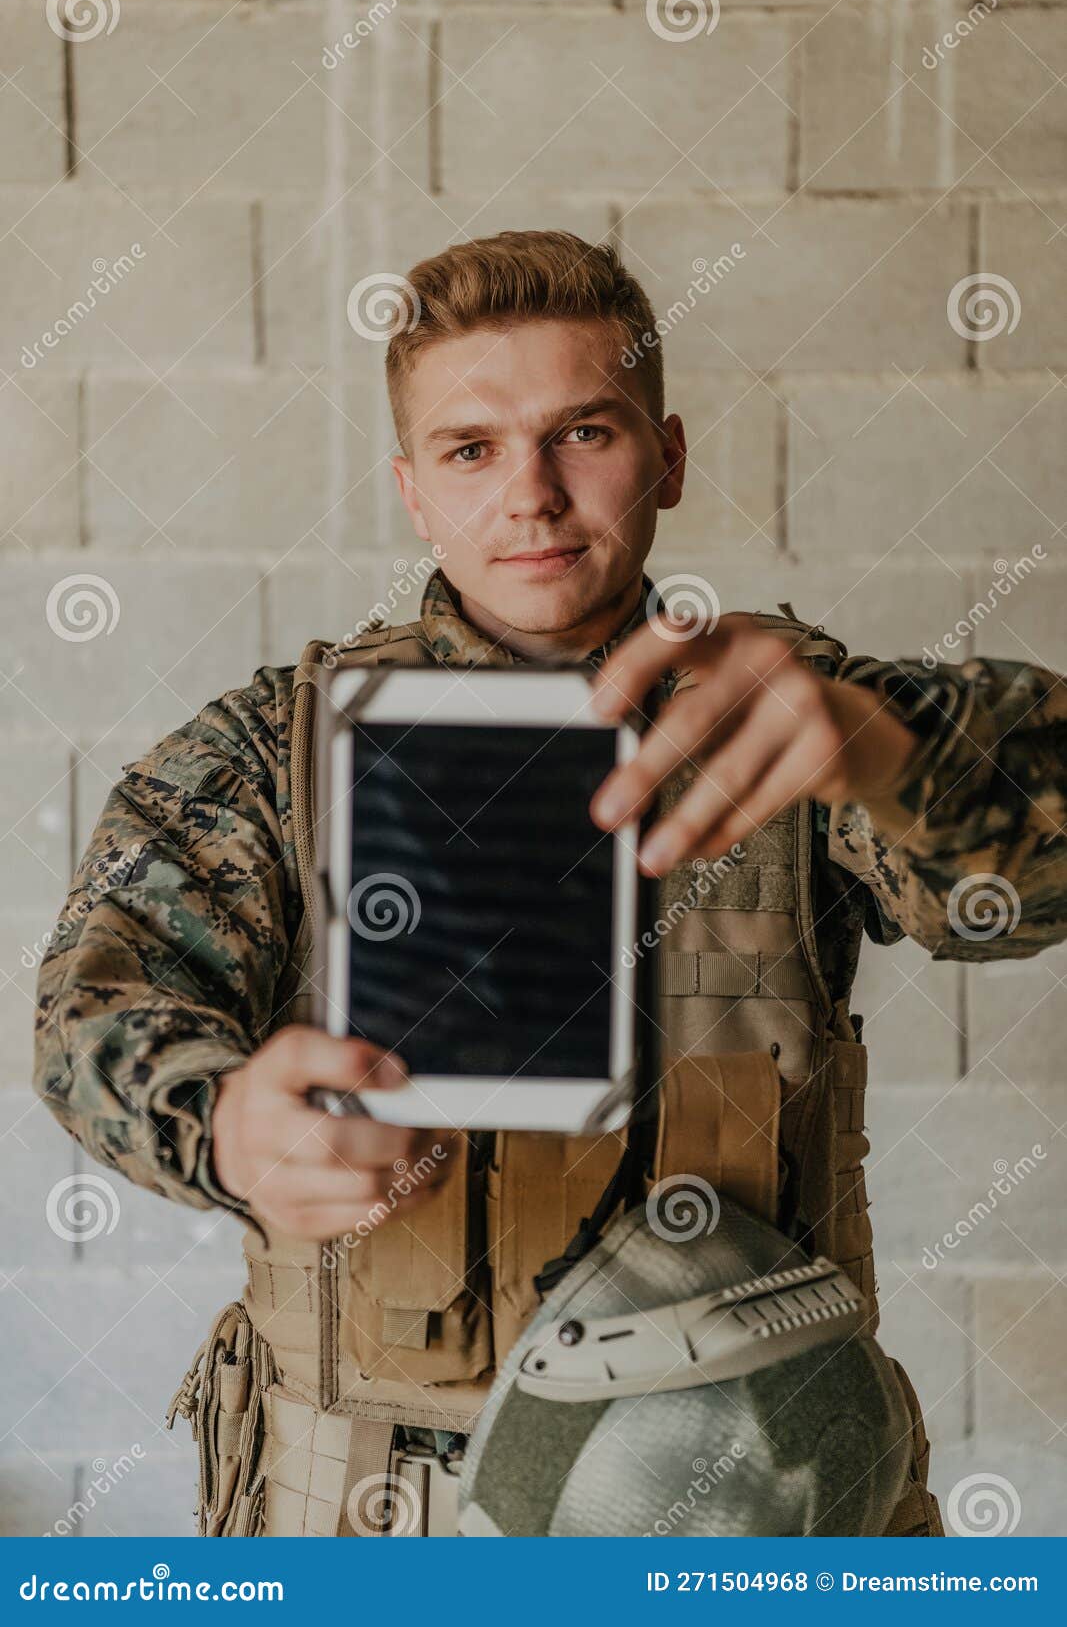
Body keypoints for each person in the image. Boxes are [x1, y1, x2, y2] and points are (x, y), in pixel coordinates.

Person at [33, 231, 1067, 1539]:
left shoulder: (792, 713)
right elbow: (92, 1002)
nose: (532, 494)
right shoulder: (268, 751)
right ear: (415, 489)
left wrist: (895, 748)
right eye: (472, 448)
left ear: (668, 456)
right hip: (367, 1521)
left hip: (743, 1516)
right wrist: (220, 1114)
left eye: (584, 433)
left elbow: (1029, 868)